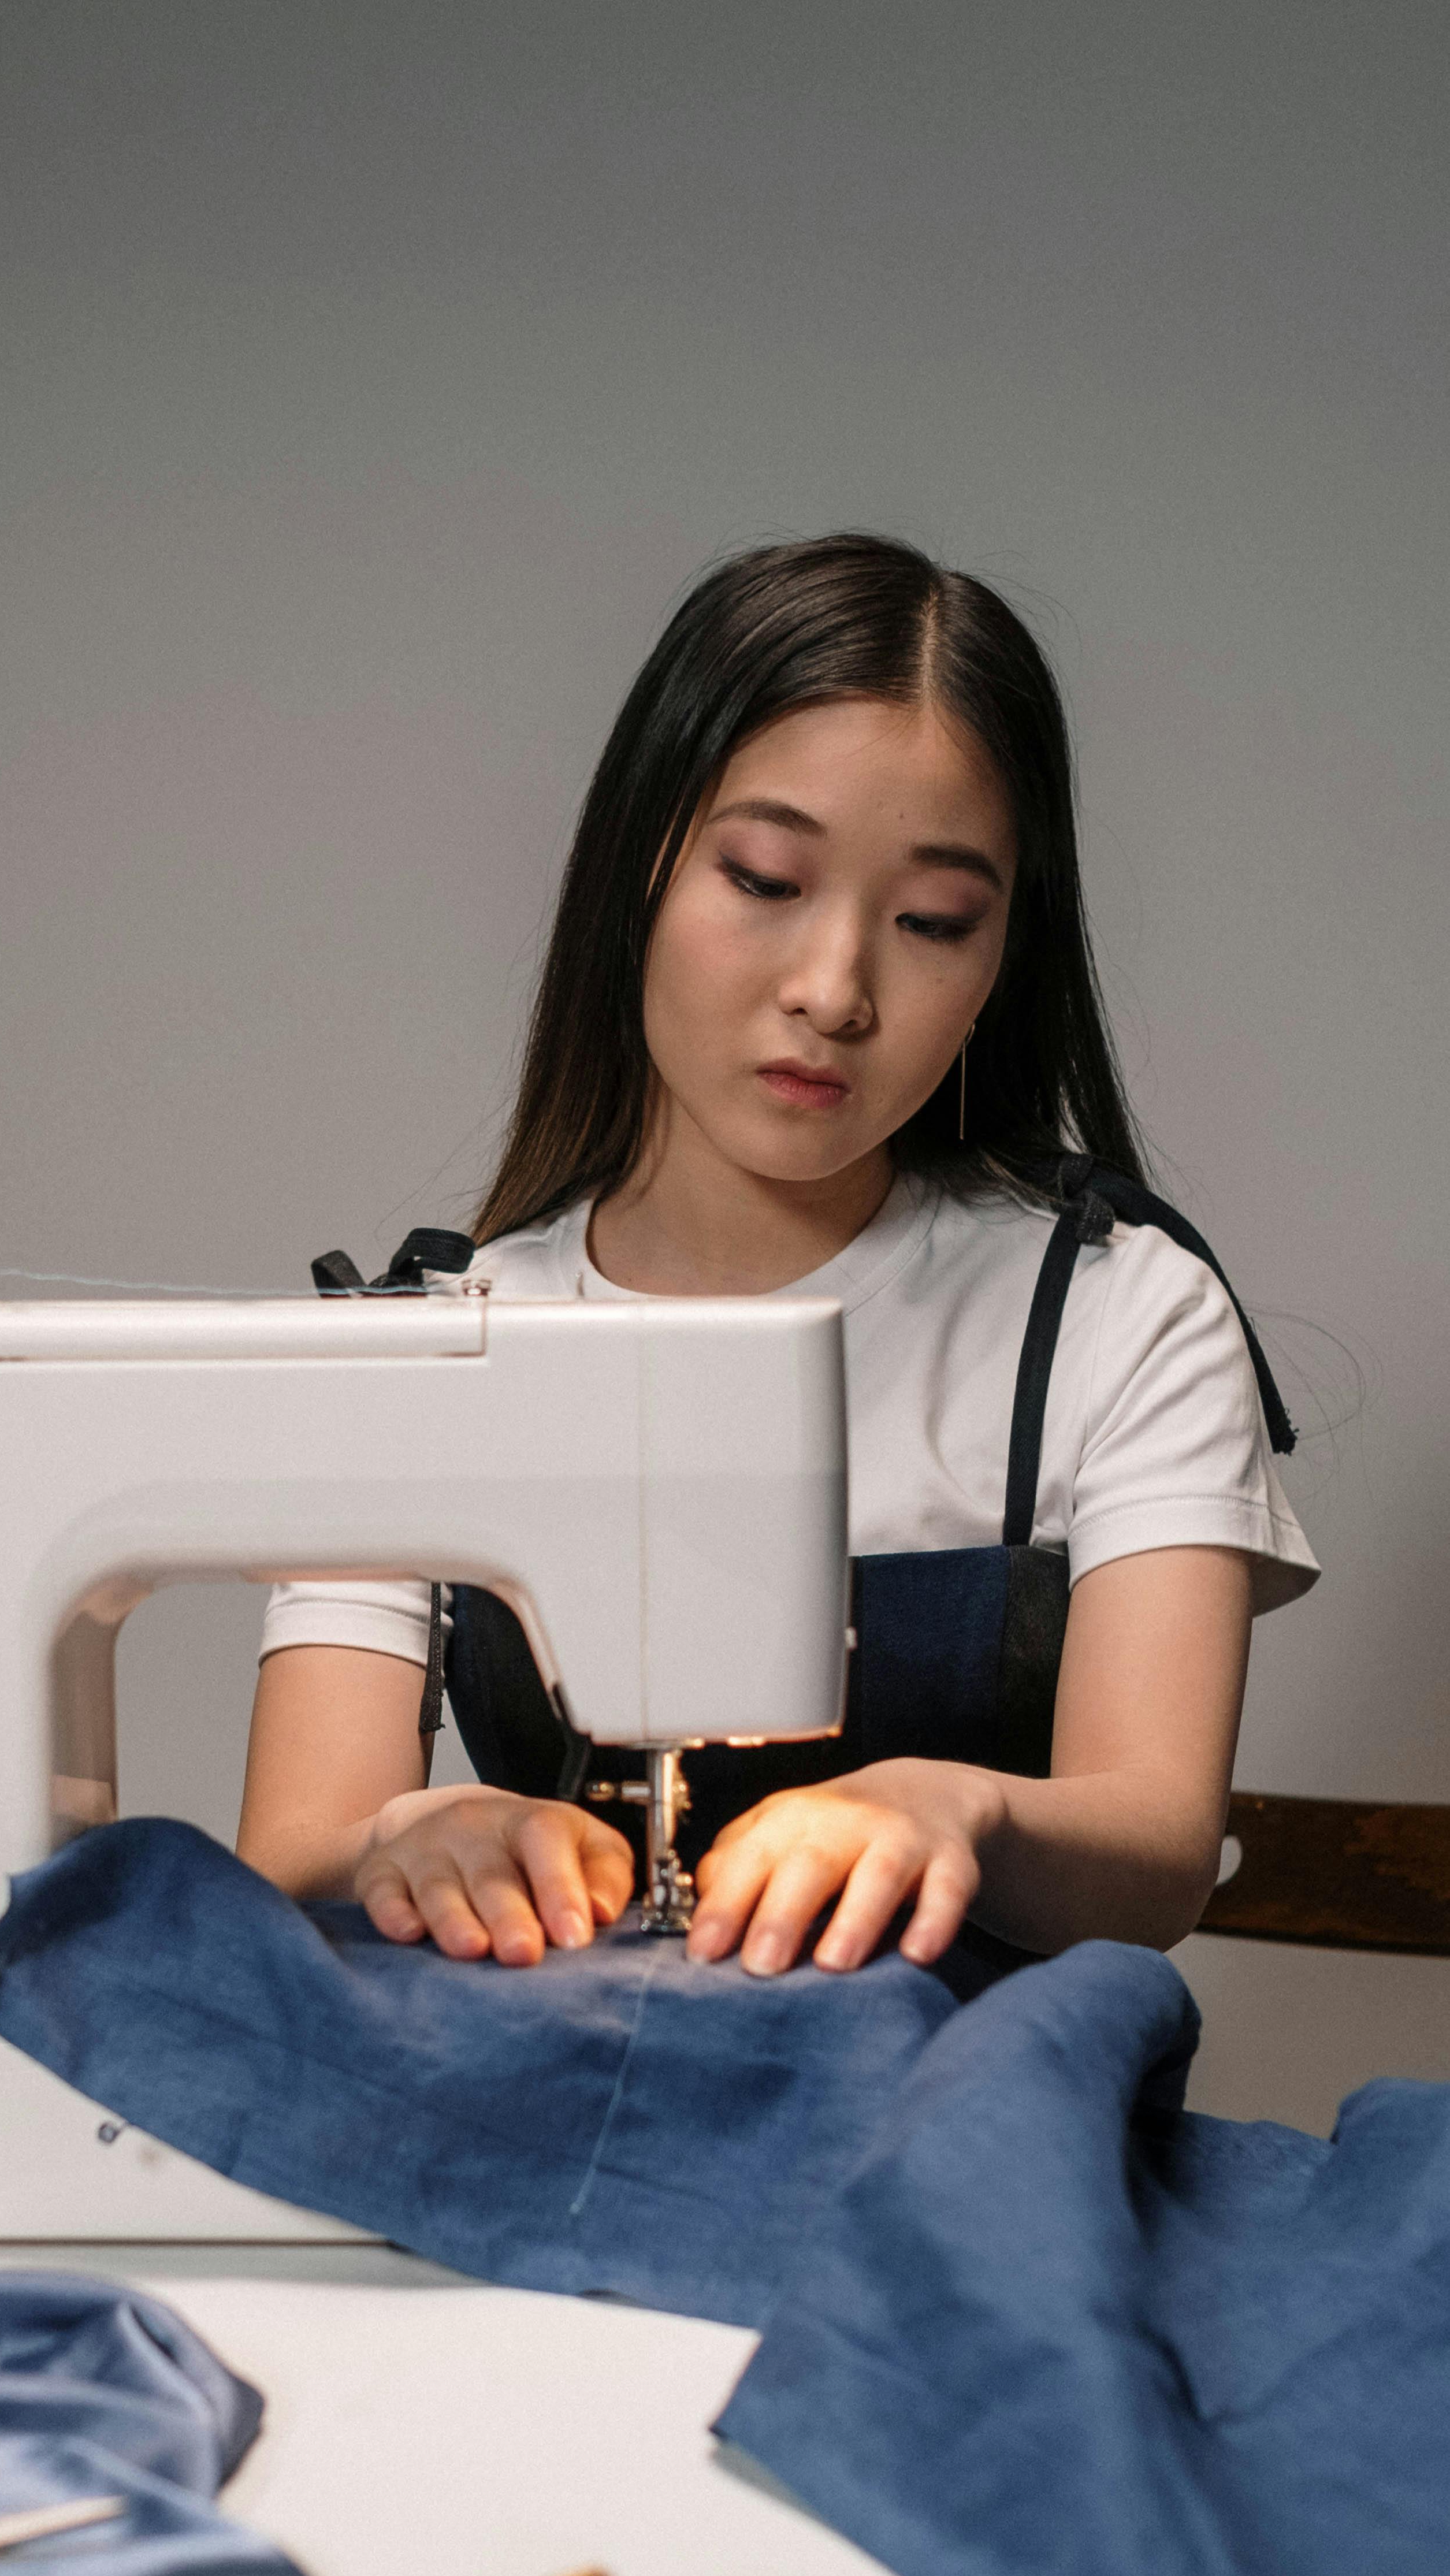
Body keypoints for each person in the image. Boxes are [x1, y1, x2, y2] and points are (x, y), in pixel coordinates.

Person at [236, 534, 1314, 1981]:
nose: (834, 990)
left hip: (981, 2131)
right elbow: (294, 1845)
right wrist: (416, 1829)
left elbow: (1155, 1851)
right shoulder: (426, 1341)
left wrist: (961, 1809)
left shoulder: (1117, 1315)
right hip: (547, 2111)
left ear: (1002, 960)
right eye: (762, 880)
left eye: (932, 921)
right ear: (636, 874)